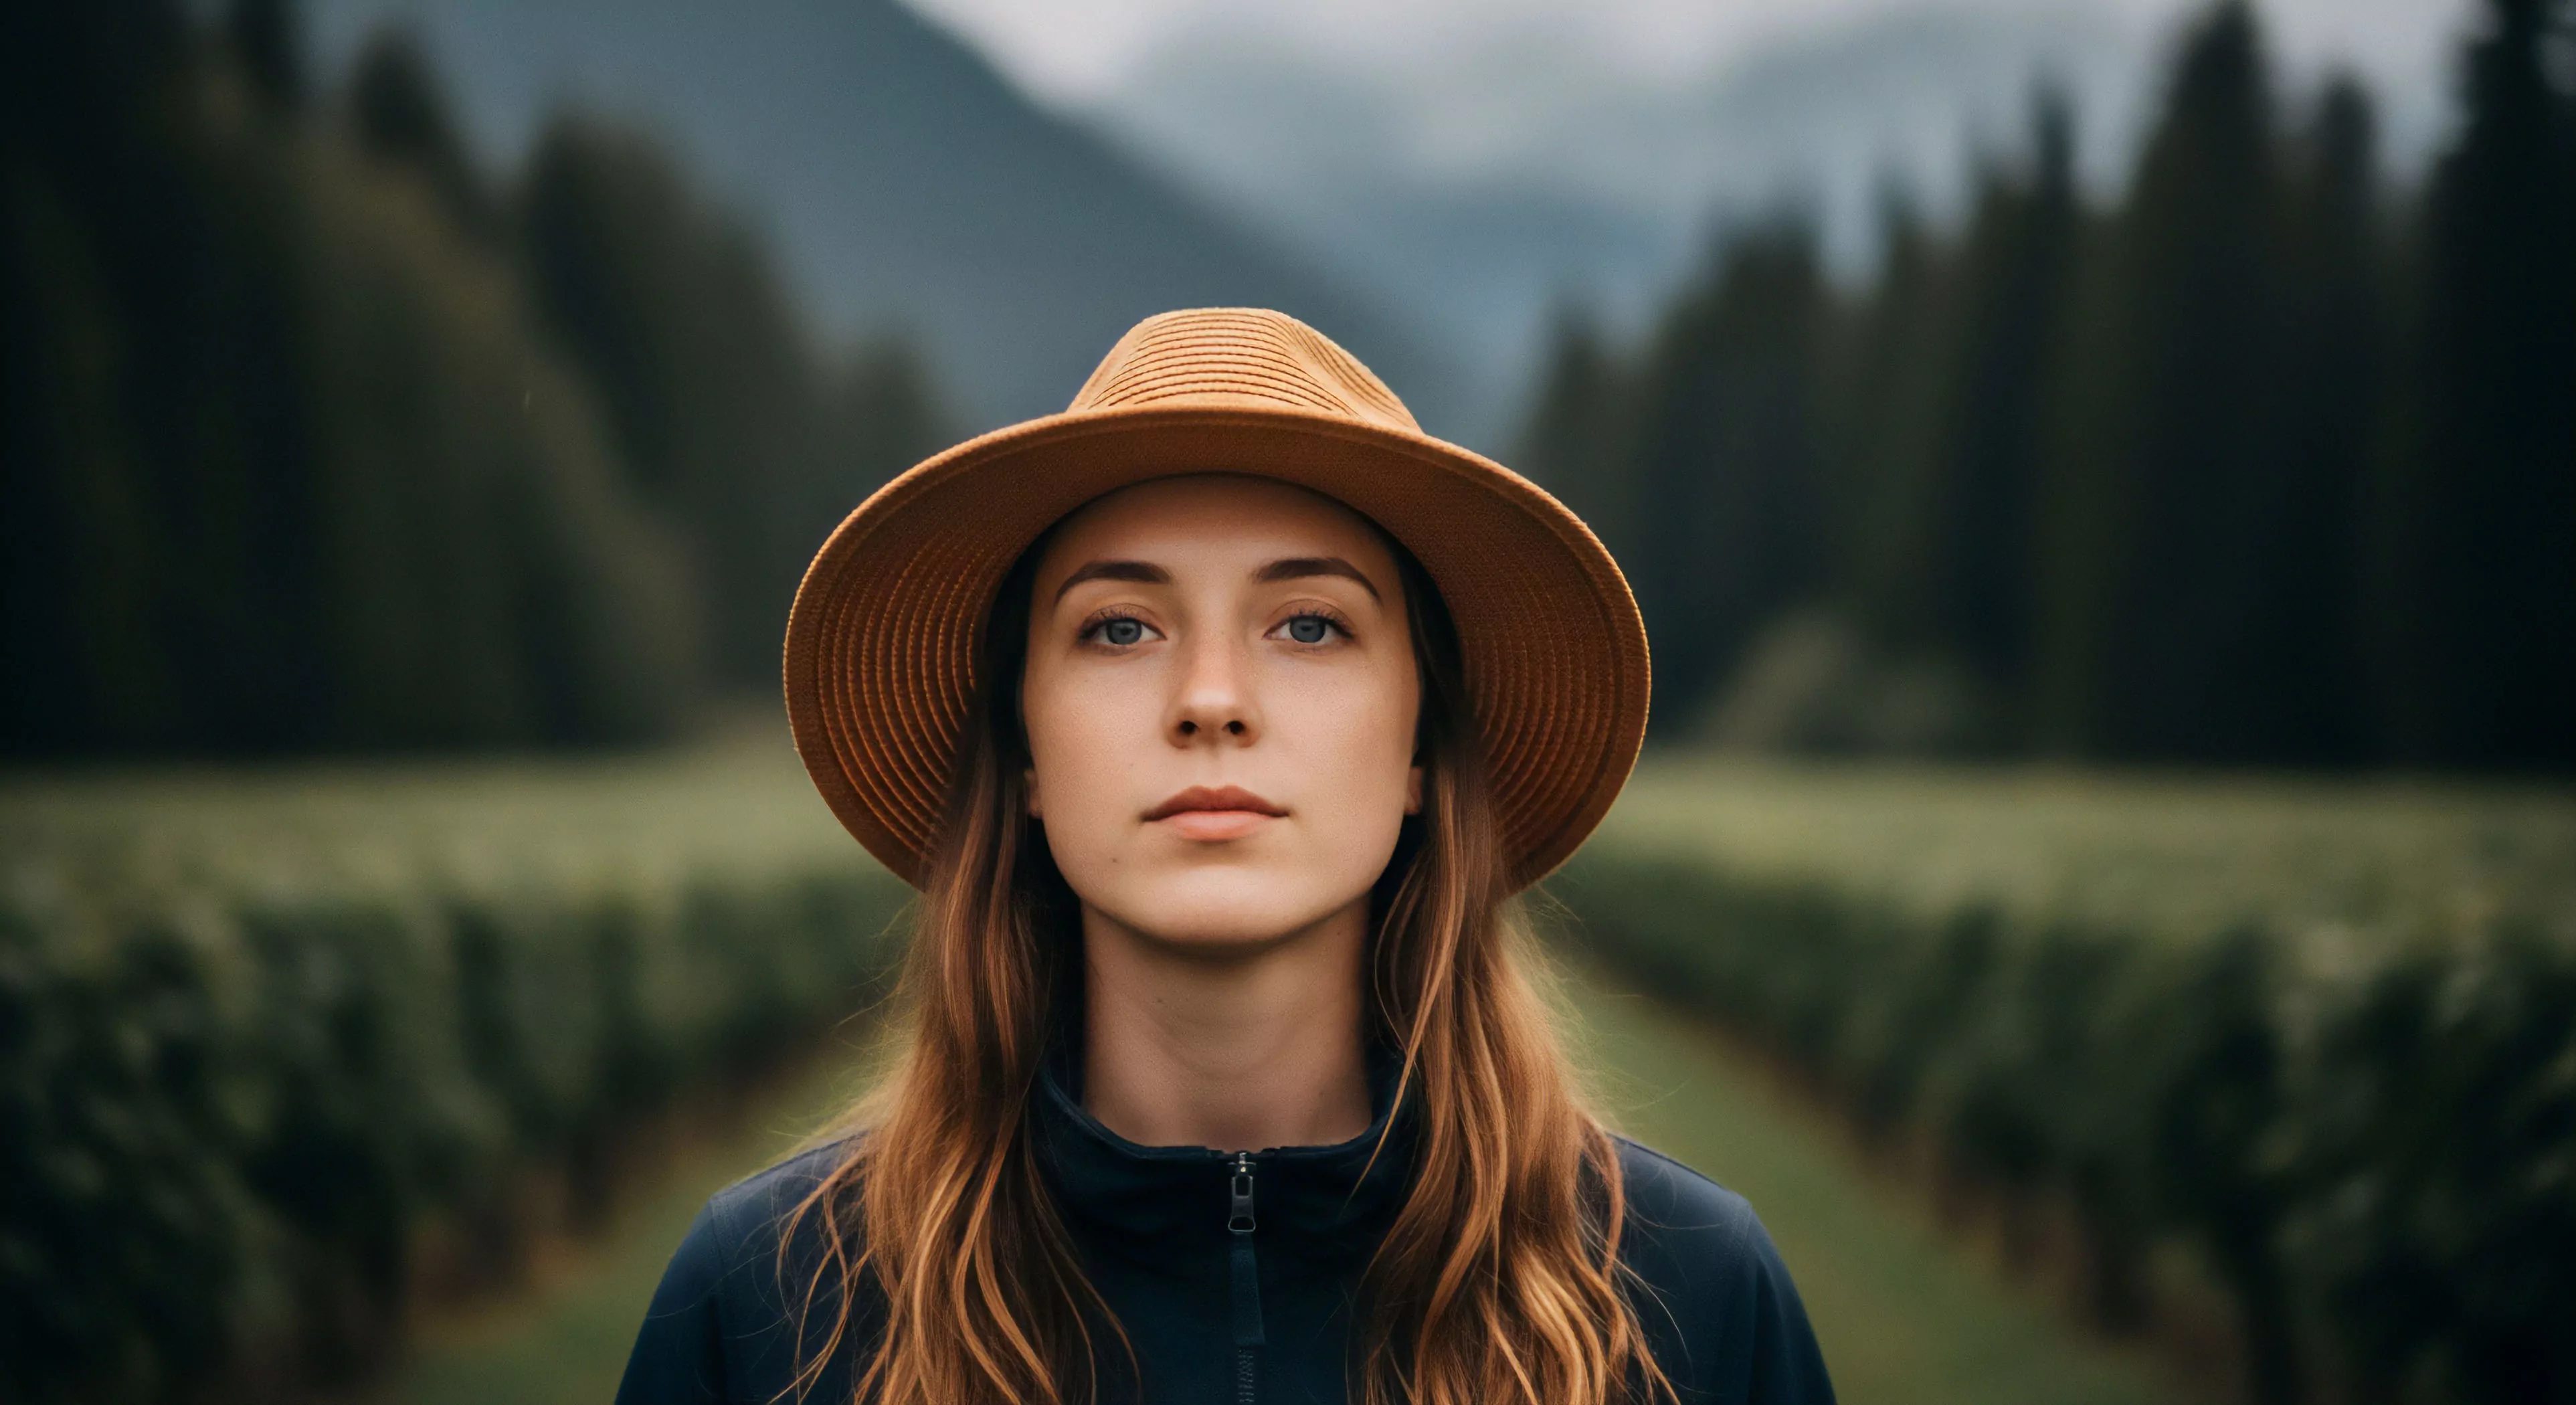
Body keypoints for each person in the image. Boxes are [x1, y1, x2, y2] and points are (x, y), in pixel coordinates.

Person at [614, 308, 1835, 1405]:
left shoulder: (1690, 1305)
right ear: (1024, 748)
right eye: (1119, 628)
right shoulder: (767, 1314)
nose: (1210, 700)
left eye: (1308, 624)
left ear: (1420, 743)